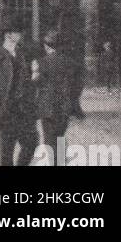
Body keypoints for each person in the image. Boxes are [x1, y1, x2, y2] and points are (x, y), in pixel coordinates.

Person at [0, 14, 38, 167]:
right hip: (4, 110)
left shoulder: (24, 55)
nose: (21, 34)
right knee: (6, 153)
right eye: (18, 31)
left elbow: (30, 80)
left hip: (23, 110)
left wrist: (34, 75)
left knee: (31, 143)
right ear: (8, 34)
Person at [34, 29, 74, 164]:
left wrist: (35, 72)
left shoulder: (41, 62)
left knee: (49, 141)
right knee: (60, 138)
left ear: (46, 46)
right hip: (64, 106)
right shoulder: (69, 62)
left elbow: (35, 82)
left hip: (47, 107)